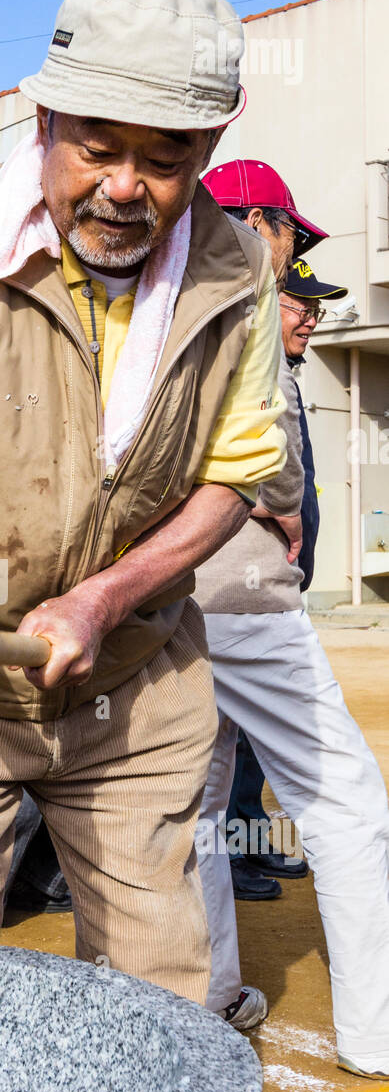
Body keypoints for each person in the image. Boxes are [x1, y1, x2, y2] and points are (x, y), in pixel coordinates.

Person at [0, 0, 287, 1007]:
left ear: (206, 150)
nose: (124, 187)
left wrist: (103, 598)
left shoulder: (236, 276)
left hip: (133, 677)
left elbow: (232, 472)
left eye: (161, 158)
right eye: (95, 145)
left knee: (163, 1001)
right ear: (43, 121)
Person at [194, 164, 389, 1075]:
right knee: (345, 803)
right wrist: (284, 507)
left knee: (193, 808)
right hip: (239, 592)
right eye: (290, 233)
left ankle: (210, 998)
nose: (294, 256)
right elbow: (262, 454)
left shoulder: (159, 296)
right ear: (255, 221)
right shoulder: (241, 293)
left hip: (165, 598)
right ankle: (378, 1035)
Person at [224, 255, 345, 900]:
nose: (311, 323)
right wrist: (280, 504)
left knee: (239, 743)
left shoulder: (285, 371)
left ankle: (245, 832)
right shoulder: (254, 361)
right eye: (302, 309)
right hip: (242, 594)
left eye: (315, 312)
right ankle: (234, 850)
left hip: (273, 586)